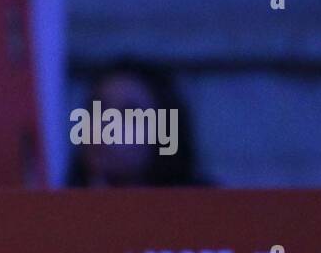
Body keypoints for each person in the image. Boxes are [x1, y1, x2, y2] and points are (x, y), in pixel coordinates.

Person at [66, 60, 214, 187]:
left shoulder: (209, 208)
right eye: (97, 108)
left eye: (129, 114)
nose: (105, 124)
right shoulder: (54, 206)